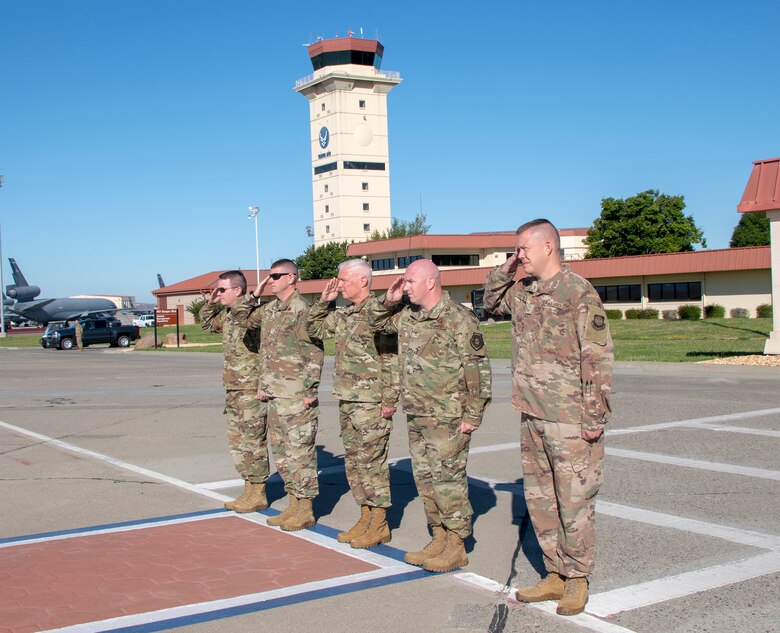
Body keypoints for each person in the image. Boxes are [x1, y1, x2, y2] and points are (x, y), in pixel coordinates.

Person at [483, 218, 613, 616]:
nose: (518, 256)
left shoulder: (577, 293)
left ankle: (577, 579)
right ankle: (555, 573)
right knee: (541, 500)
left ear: (548, 247)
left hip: (569, 417)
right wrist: (503, 270)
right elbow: (488, 304)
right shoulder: (523, 292)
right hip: (532, 411)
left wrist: (594, 415)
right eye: (516, 250)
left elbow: (597, 357)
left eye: (523, 249)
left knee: (574, 500)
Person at [369, 259, 491, 572]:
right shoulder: (408, 317)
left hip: (447, 416)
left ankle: (456, 544)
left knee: (448, 481)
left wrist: (473, 414)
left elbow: (476, 368)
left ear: (430, 282)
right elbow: (375, 323)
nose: (405, 287)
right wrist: (388, 300)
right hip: (417, 413)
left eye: (409, 282)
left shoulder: (458, 318)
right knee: (425, 480)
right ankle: (438, 536)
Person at [306, 259, 399, 549]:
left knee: (373, 463)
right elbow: (314, 329)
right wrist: (324, 302)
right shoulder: (346, 314)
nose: (339, 285)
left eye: (344, 280)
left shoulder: (378, 312)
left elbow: (391, 357)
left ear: (363, 281)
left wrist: (390, 398)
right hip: (348, 398)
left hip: (371, 400)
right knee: (356, 464)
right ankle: (366, 515)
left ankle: (380, 523)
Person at [232, 259, 324, 532]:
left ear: (293, 278)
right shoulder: (270, 309)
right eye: (269, 276)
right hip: (274, 393)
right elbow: (239, 320)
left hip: (296, 394)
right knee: (283, 453)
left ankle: (305, 508)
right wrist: (253, 295)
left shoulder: (302, 309)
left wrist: (310, 389)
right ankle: (293, 504)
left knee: (300, 453)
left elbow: (314, 351)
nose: (271, 280)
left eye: (276, 275)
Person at [199, 270, 269, 514]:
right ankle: (248, 487)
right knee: (238, 443)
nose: (218, 294)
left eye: (222, 290)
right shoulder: (227, 315)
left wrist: (264, 384)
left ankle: (258, 491)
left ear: (238, 291)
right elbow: (207, 324)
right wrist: (210, 303)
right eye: (217, 290)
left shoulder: (253, 313)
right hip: (233, 388)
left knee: (253, 442)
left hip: (251, 387)